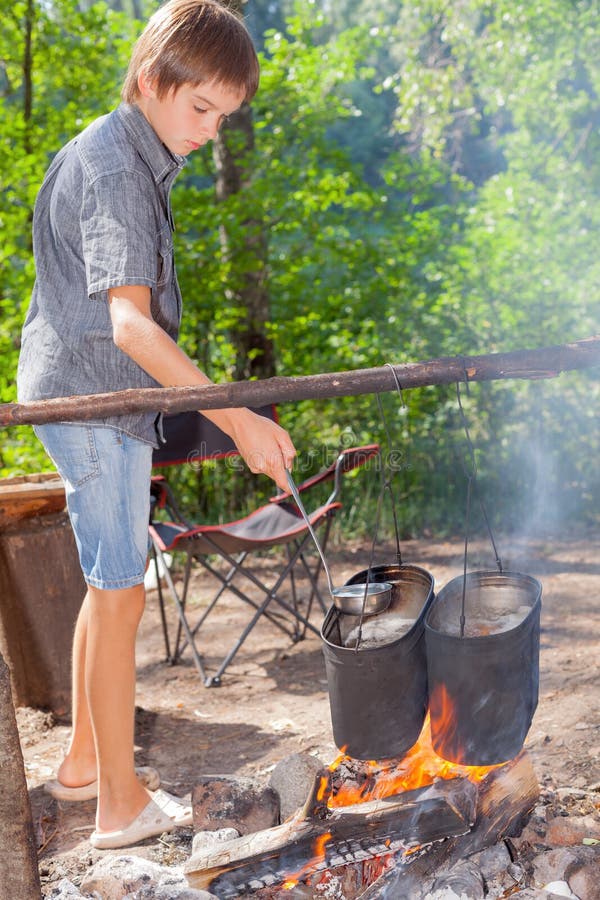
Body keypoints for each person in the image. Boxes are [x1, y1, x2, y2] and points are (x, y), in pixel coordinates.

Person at [16, 0, 296, 850]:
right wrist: (238, 419)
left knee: (109, 583)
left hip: (90, 394)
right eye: (200, 107)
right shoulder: (114, 167)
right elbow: (132, 328)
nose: (210, 130)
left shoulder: (124, 152)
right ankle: (120, 806)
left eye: (224, 116)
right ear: (150, 81)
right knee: (122, 592)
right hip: (94, 399)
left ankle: (82, 766)